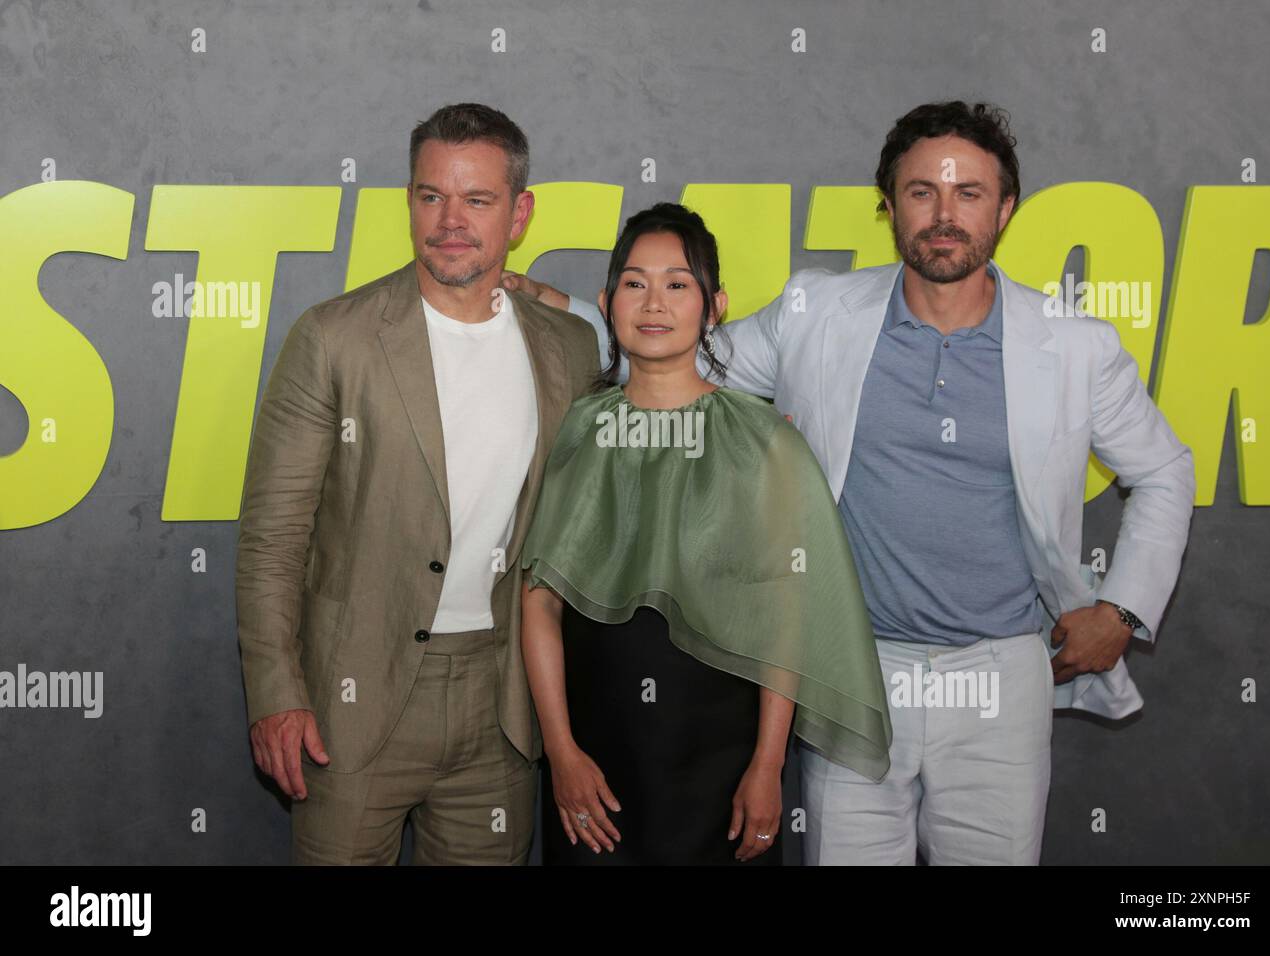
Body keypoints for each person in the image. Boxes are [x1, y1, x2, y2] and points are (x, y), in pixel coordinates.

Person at [506, 101, 1195, 865]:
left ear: (1004, 210)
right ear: (890, 205)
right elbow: (684, 351)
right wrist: (572, 315)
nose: (943, 212)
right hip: (853, 668)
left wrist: (1124, 608)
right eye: (920, 191)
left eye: (968, 192)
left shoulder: (1075, 347)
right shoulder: (819, 312)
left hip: (1003, 674)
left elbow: (1165, 469)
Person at [235, 102, 599, 864]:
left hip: (501, 702)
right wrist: (278, 692)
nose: (451, 220)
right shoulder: (334, 337)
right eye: (431, 196)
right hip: (351, 701)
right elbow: (274, 537)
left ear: (520, 213)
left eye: (478, 199)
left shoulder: (567, 350)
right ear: (409, 202)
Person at [518, 202, 891, 865]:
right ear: (607, 303)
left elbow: (786, 615)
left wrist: (768, 766)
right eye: (635, 283)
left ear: (713, 305)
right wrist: (562, 753)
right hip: (593, 763)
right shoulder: (579, 430)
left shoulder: (764, 440)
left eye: (678, 284)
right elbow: (538, 604)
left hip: (723, 762)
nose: (654, 302)